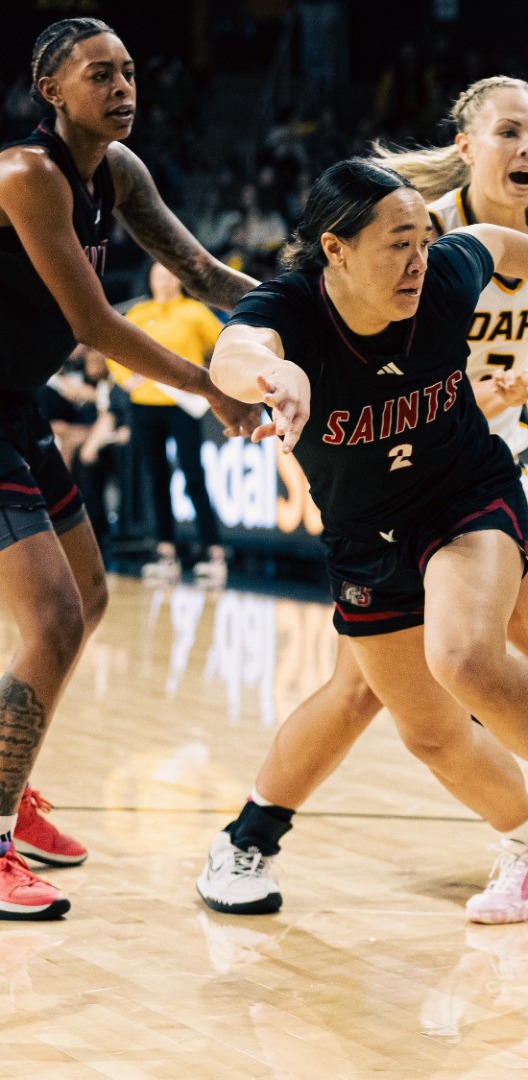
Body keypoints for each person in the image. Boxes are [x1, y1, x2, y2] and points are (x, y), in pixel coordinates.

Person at [196, 159, 528, 920]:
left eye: (422, 239)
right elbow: (234, 351)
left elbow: (496, 243)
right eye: (395, 244)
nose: (418, 259)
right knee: (431, 734)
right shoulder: (292, 309)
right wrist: (274, 377)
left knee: (462, 655)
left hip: (465, 495)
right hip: (365, 538)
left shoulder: (443, 279)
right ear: (335, 249)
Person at [0, 18, 265, 918]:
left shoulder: (119, 172)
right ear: (52, 91)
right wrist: (209, 389)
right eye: (100, 75)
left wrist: (303, 303)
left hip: (15, 405)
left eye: (130, 72)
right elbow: (94, 326)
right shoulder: (26, 176)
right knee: (52, 617)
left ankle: (13, 781)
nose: (123, 89)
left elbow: (196, 268)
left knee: (92, 598)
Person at [108, 262, 227, 584]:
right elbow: (113, 350)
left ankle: (213, 552)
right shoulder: (138, 313)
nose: (163, 279)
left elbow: (225, 342)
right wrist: (124, 379)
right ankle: (166, 553)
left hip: (183, 406)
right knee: (157, 478)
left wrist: (215, 378)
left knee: (193, 475)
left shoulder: (194, 312)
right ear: (149, 279)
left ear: (179, 278)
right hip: (145, 405)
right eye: (158, 274)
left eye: (169, 274)